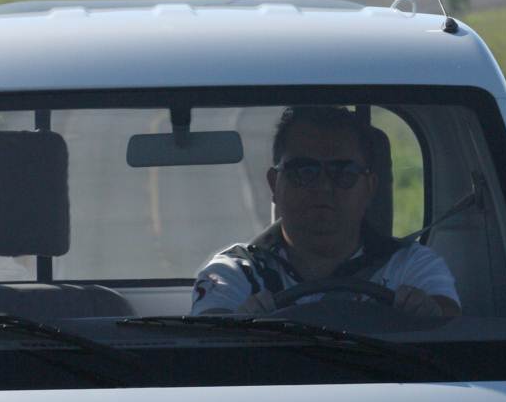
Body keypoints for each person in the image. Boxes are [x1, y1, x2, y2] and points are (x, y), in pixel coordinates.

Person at [192, 106, 461, 321]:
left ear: (369, 187)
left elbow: (451, 326)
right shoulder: (235, 272)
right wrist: (238, 328)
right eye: (304, 172)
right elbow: (209, 347)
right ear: (275, 184)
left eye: (343, 173)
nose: (323, 187)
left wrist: (426, 314)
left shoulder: (411, 266)